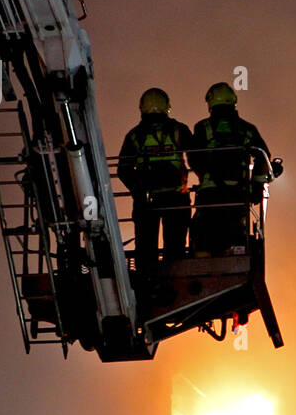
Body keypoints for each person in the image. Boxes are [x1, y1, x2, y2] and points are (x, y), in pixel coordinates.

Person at [189, 83, 278, 255]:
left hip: (209, 195)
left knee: (204, 235)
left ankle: (203, 258)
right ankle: (234, 253)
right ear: (233, 101)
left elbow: (193, 158)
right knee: (235, 236)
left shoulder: (202, 128)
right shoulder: (247, 129)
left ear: (210, 103)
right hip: (237, 194)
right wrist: (256, 187)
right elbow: (263, 157)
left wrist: (206, 175)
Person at [117, 87, 194, 278]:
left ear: (141, 108)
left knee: (146, 247)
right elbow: (196, 158)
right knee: (175, 245)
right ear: (167, 107)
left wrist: (137, 190)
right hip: (176, 197)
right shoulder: (179, 130)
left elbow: (123, 169)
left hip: (146, 201)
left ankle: (147, 279)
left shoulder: (134, 135)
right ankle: (174, 278)